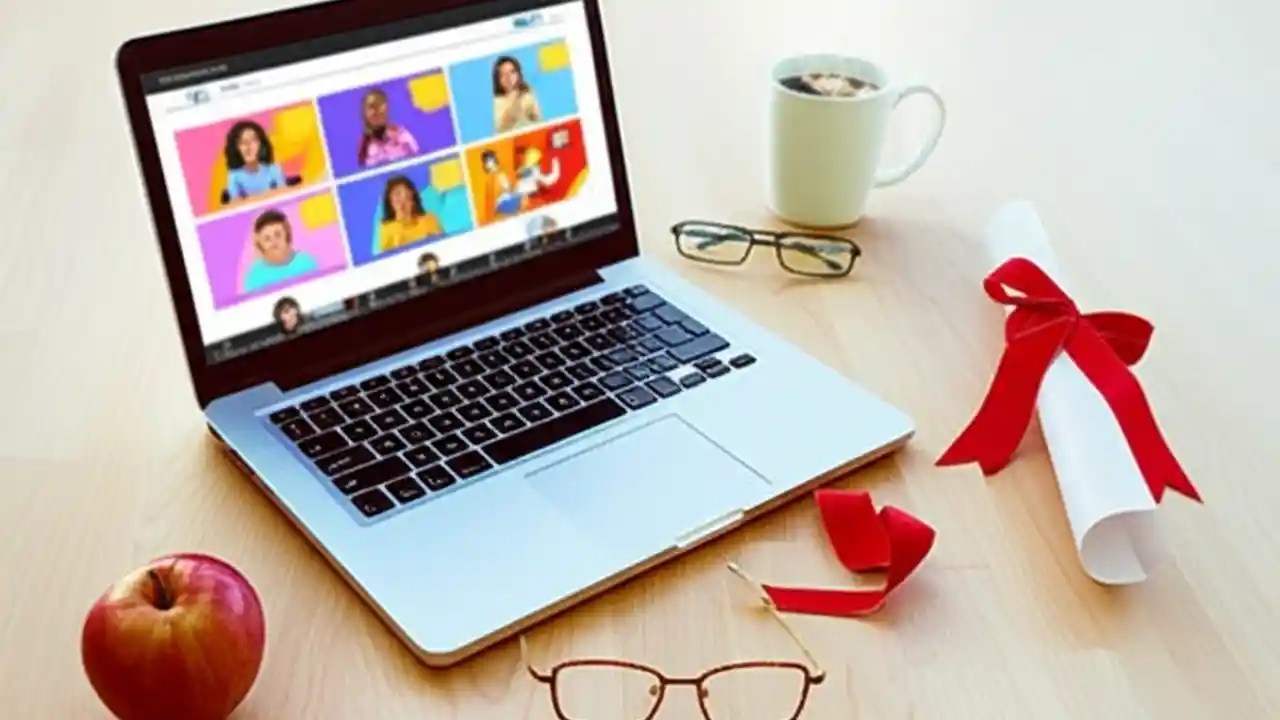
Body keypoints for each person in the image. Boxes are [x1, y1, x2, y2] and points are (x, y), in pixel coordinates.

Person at [242, 210, 319, 293]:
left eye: (278, 234)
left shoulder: (306, 262)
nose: (274, 242)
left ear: (288, 236)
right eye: (267, 239)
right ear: (260, 245)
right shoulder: (254, 275)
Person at [376, 175, 442, 254]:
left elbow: (442, 245)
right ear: (390, 202)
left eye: (407, 195)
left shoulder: (429, 219)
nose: (402, 200)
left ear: (413, 199)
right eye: (397, 194)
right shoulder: (386, 228)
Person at [225, 120, 287, 202]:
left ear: (261, 144)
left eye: (253, 140)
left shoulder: (274, 170)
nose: (248, 147)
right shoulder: (234, 176)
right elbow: (235, 204)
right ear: (236, 148)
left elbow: (284, 196)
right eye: (243, 142)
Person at [357, 88, 420, 168]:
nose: (376, 111)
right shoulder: (364, 146)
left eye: (379, 105)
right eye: (371, 107)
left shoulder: (402, 135)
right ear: (364, 113)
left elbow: (418, 160)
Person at [492, 56, 542, 133]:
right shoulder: (496, 102)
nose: (509, 77)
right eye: (503, 74)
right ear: (497, 79)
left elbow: (538, 120)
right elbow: (499, 130)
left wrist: (531, 114)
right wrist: (512, 113)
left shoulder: (527, 93)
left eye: (512, 72)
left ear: (518, 73)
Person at [511, 145, 561, 211]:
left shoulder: (526, 169)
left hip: (526, 196)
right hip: (526, 197)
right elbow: (548, 181)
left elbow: (546, 181)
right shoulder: (529, 170)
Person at [480, 149, 521, 219]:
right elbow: (491, 197)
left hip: (507, 203)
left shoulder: (500, 174)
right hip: (501, 206)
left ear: (494, 160)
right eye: (486, 162)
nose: (488, 164)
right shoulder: (491, 177)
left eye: (489, 161)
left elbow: (508, 189)